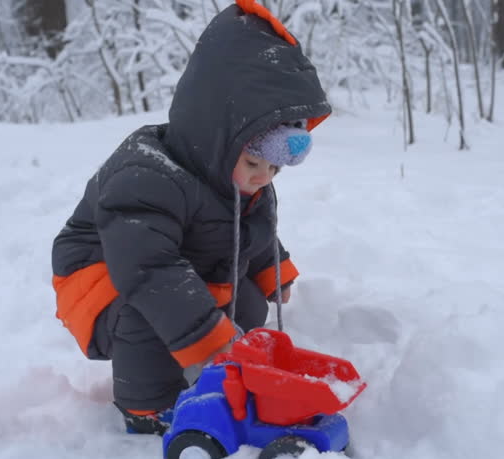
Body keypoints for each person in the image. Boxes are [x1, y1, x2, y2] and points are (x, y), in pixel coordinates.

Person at [50, 0, 331, 435]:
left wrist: (275, 271)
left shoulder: (241, 180)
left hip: (173, 270)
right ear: (217, 135)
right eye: (255, 162)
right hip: (102, 279)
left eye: (273, 170)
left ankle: (211, 363)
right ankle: (147, 406)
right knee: (149, 309)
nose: (261, 179)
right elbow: (148, 270)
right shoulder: (148, 173)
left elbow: (253, 233)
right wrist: (206, 337)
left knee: (248, 304)